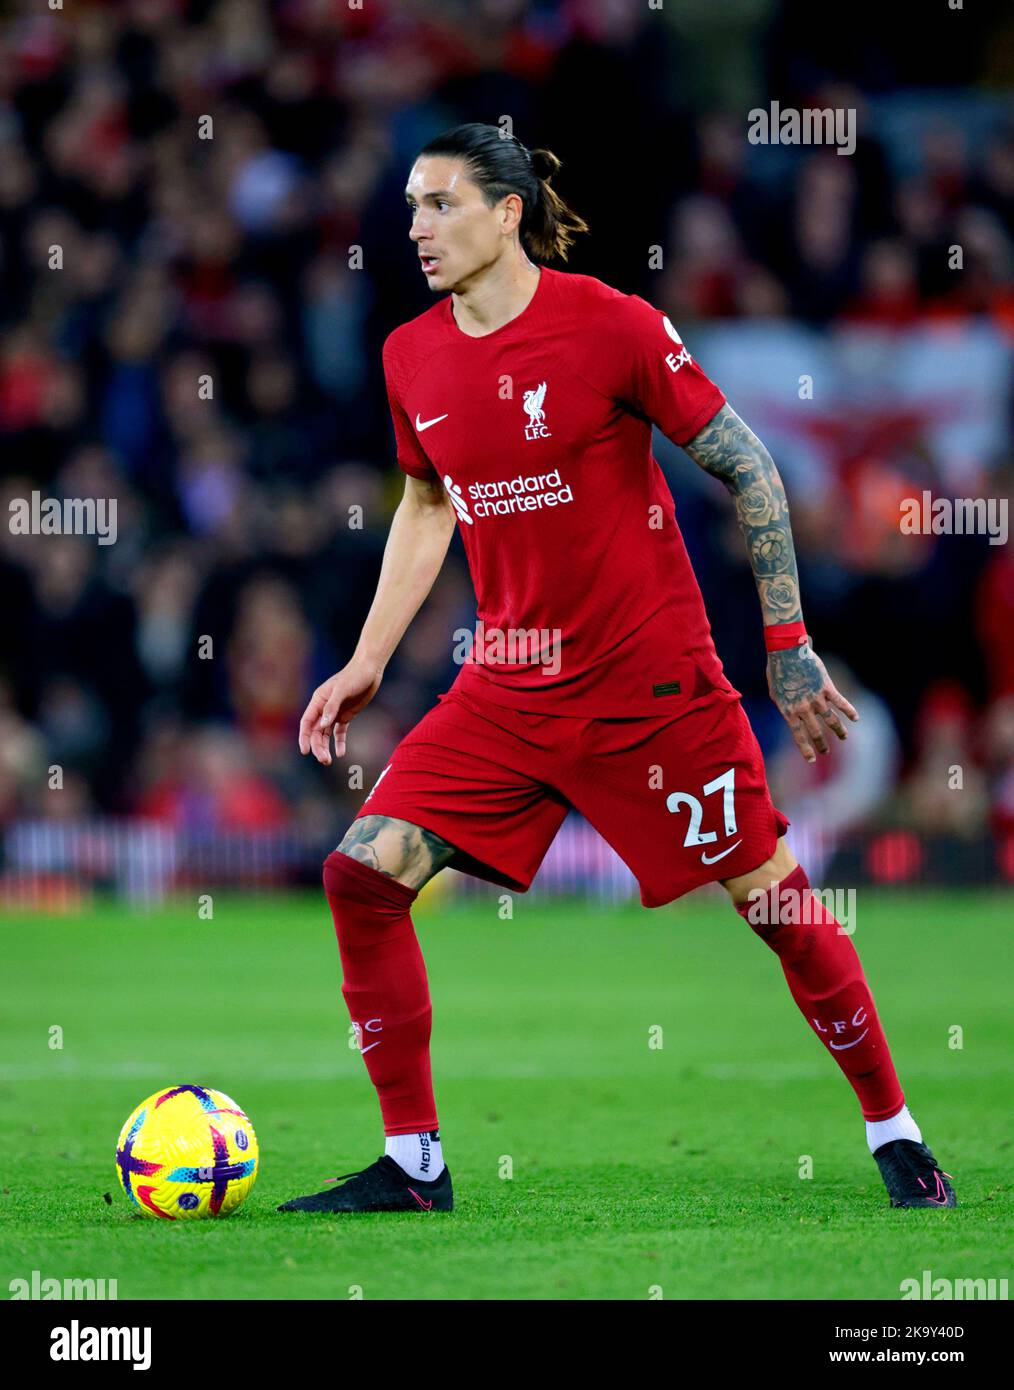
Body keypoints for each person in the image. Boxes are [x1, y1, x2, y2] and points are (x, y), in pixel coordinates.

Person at [277, 124, 954, 1215]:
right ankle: (413, 1168)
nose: (415, 227)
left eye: (440, 204)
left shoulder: (613, 326)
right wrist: (366, 659)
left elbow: (752, 468)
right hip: (506, 685)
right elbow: (425, 502)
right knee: (361, 873)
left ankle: (895, 1129)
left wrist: (788, 649)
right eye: (410, 205)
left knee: (774, 904)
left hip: (654, 690)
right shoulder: (411, 354)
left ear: (505, 213)